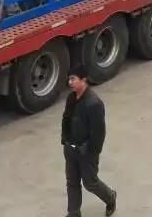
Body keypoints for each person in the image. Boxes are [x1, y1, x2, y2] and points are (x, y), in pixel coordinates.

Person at [61, 65, 117, 217]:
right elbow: (66, 120)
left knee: (90, 183)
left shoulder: (94, 103)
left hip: (87, 152)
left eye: (73, 79)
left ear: (83, 80)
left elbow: (99, 133)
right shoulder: (71, 98)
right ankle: (73, 213)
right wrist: (65, 140)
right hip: (71, 149)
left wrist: (89, 150)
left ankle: (110, 197)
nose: (70, 82)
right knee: (72, 182)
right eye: (69, 79)